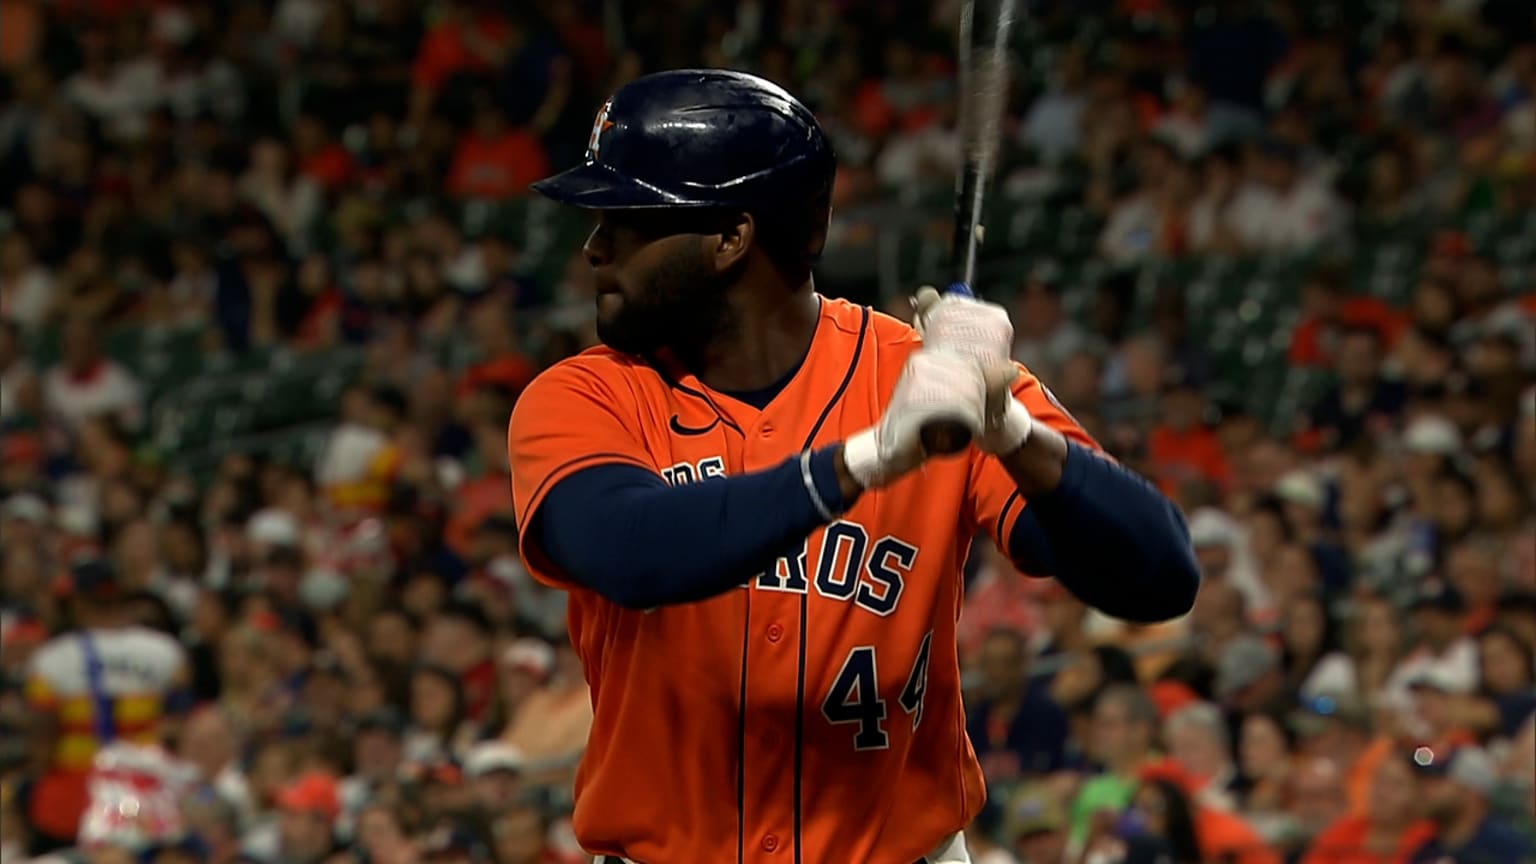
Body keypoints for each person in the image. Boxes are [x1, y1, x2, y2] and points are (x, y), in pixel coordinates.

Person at [507, 69, 1199, 862]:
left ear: (731, 237)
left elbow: (1158, 576)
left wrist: (1008, 427)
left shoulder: (922, 375)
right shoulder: (585, 394)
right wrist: (870, 457)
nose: (594, 249)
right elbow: (631, 551)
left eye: (626, 221)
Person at [22, 558, 191, 853]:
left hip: (71, 803)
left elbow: (42, 745)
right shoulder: (167, 652)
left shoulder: (50, 660)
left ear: (78, 602)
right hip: (148, 801)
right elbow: (182, 728)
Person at [1407, 745, 1531, 863]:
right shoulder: (1423, 849)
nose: (1423, 790)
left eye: (1436, 782)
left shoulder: (1506, 848)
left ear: (1470, 793)